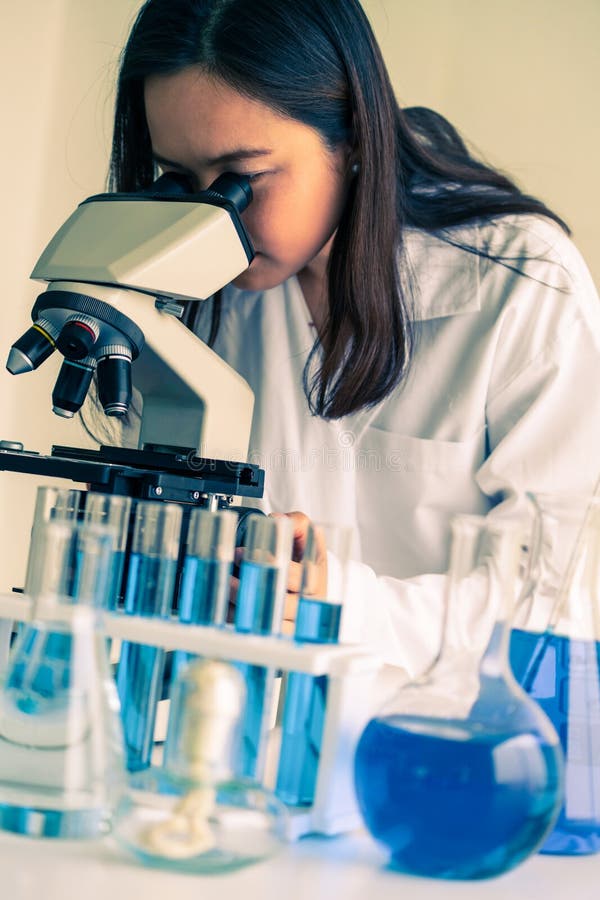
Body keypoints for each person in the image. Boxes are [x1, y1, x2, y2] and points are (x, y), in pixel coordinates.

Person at [105, 0, 600, 676]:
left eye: (241, 182)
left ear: (354, 140)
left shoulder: (522, 285)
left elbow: (556, 600)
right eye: (180, 181)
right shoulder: (200, 306)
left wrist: (334, 602)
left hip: (451, 746)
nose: (210, 221)